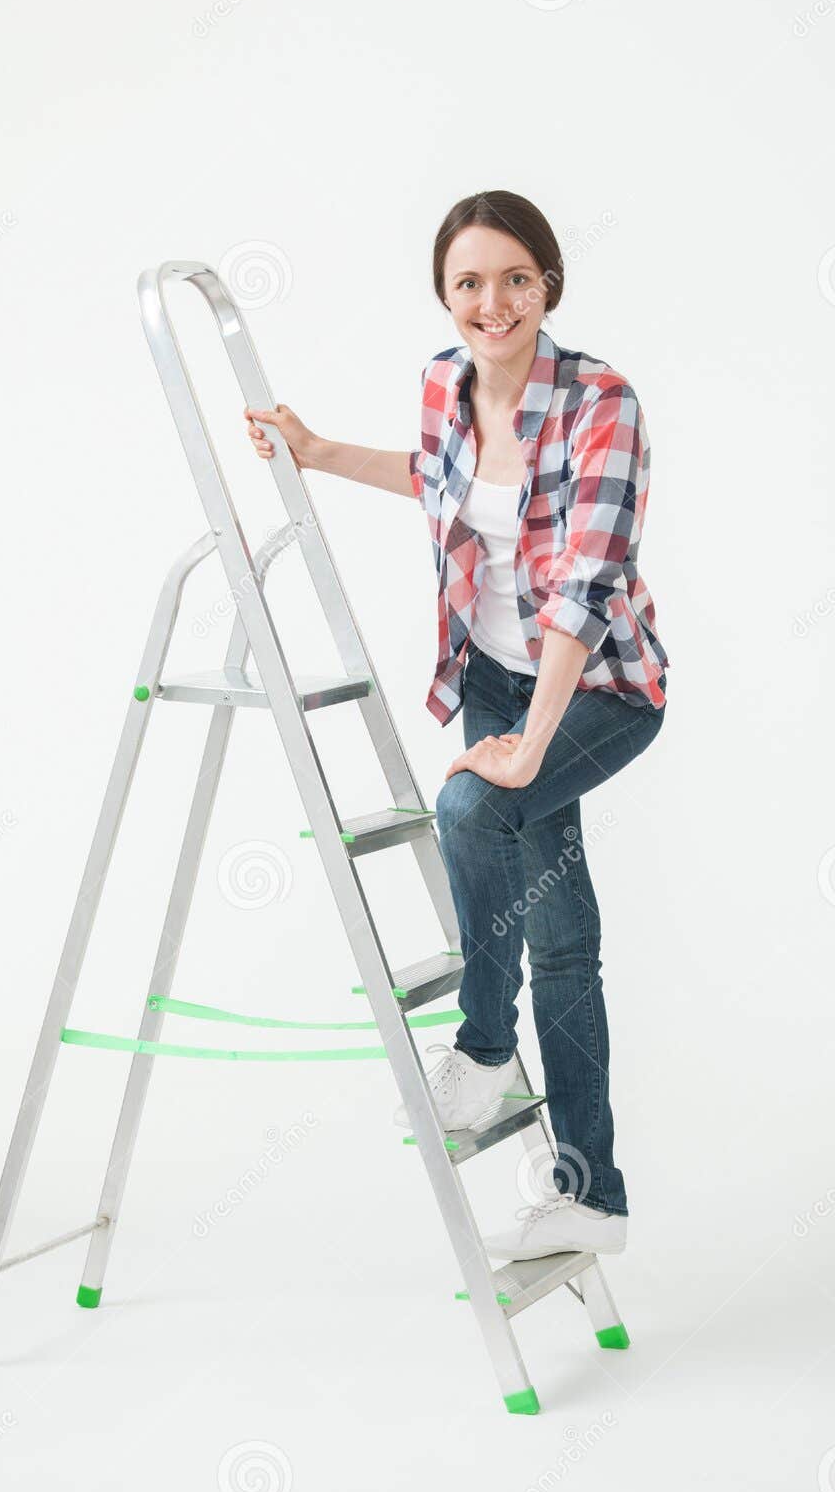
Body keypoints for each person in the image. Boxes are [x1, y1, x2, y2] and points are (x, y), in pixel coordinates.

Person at [244, 189, 669, 1263]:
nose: (493, 302)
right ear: (446, 293)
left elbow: (583, 583)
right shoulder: (443, 381)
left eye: (515, 278)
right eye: (469, 282)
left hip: (601, 690)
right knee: (564, 939)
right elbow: (438, 485)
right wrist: (319, 448)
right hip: (491, 678)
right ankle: (592, 1196)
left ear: (549, 285)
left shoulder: (600, 400)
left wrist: (530, 743)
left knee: (471, 802)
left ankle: (481, 1050)